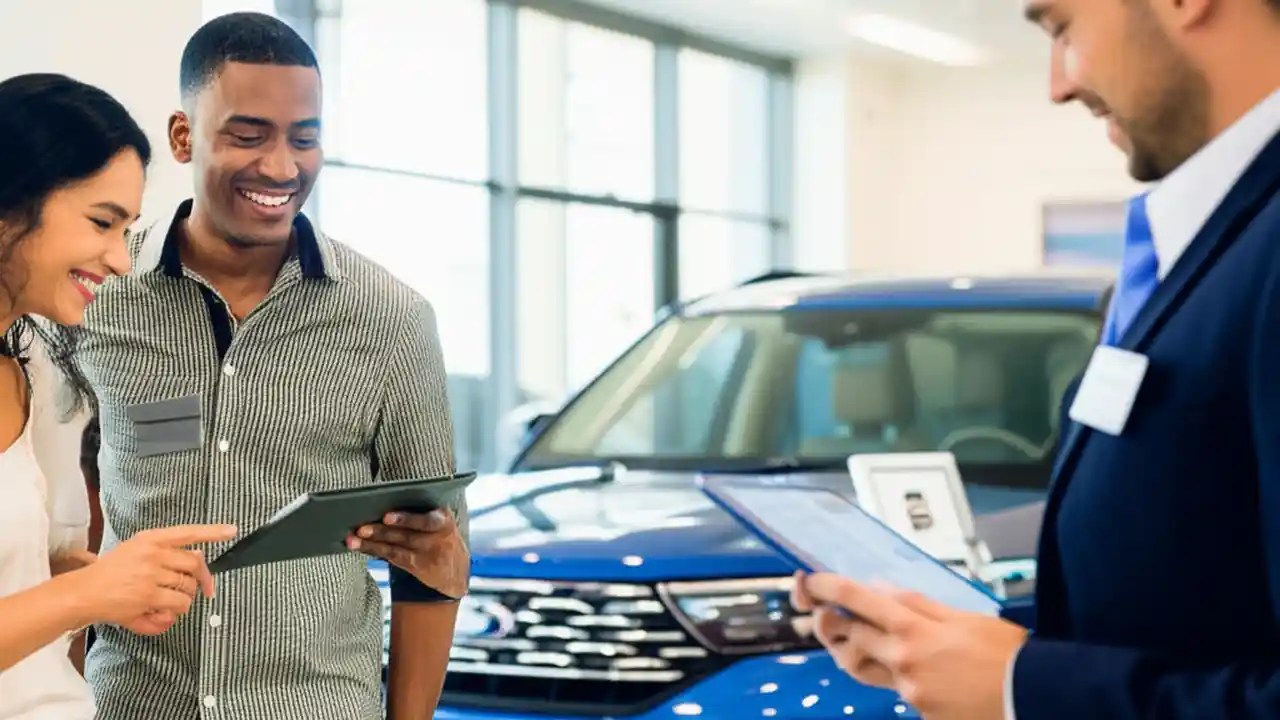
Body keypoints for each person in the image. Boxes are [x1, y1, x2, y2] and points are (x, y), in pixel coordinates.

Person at [792, 0, 1280, 718]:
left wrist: (1020, 688)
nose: (1058, 84)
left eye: (1062, 29)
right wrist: (963, 655)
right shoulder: (1219, 238)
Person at [72, 13, 469, 720]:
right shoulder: (97, 294)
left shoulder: (392, 320)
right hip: (132, 703)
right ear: (183, 135)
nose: (282, 167)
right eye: (249, 135)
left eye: (304, 138)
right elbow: (65, 523)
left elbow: (432, 563)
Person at [0, 72, 236, 719]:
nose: (121, 259)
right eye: (103, 223)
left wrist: (115, 582)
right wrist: (89, 594)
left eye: (127, 227)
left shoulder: (34, 370)